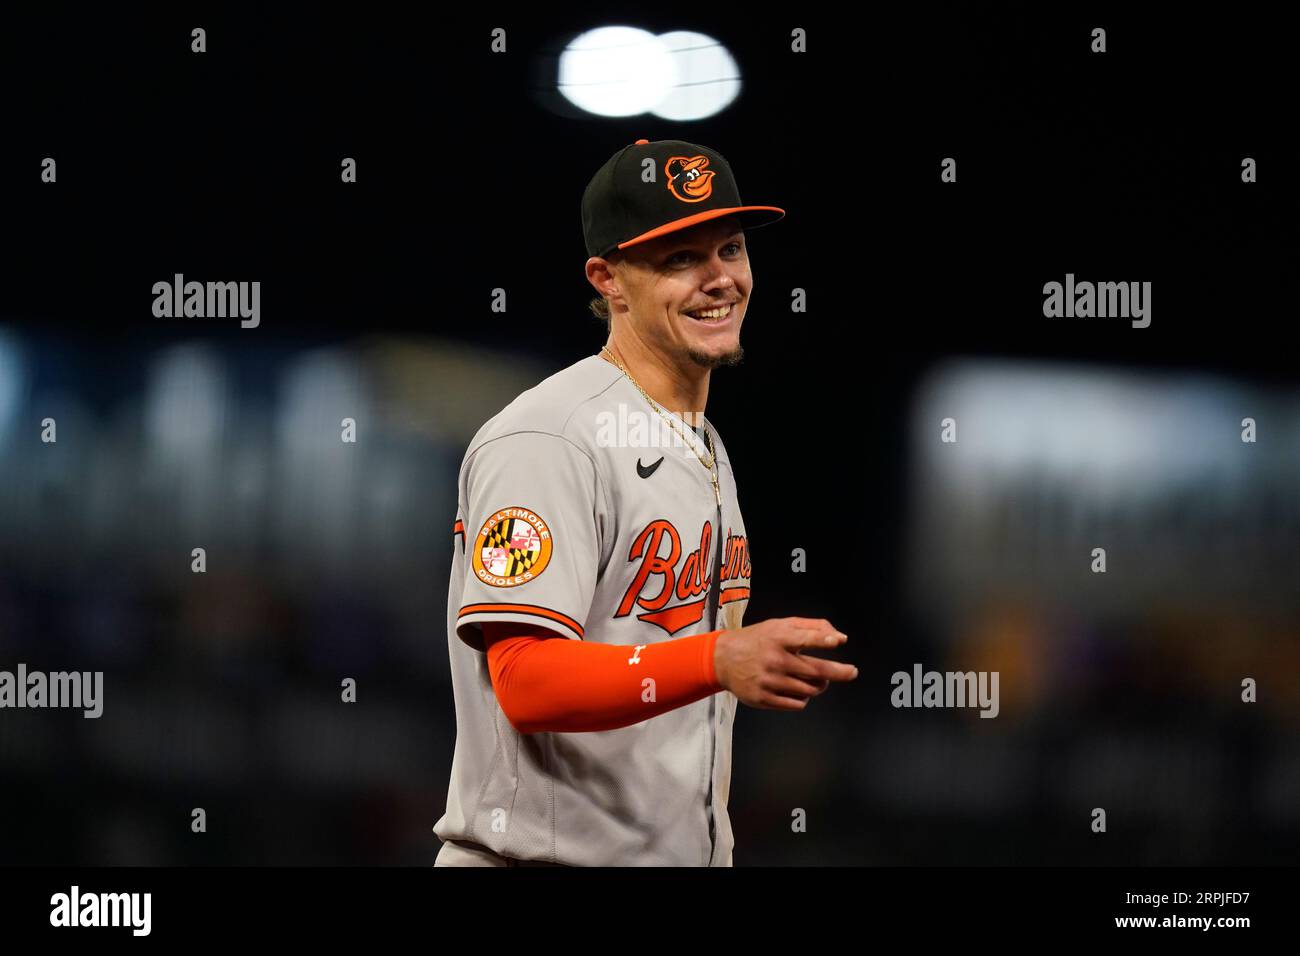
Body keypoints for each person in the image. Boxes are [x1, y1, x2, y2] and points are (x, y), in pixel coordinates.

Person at [433, 139, 857, 867]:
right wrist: (718, 657)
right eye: (680, 259)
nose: (719, 279)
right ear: (609, 279)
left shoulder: (701, 443)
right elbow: (526, 681)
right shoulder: (551, 435)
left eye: (729, 248)